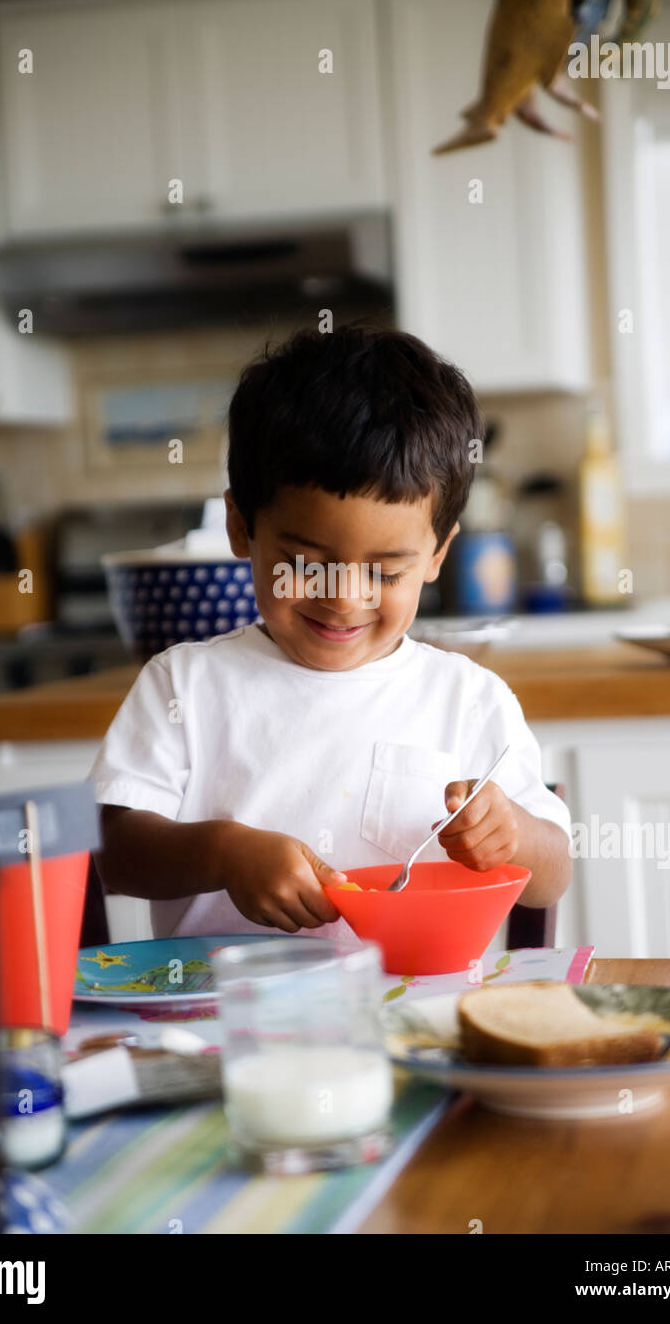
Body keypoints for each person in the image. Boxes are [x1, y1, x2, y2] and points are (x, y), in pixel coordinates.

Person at [92, 325, 571, 942]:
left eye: (385, 570)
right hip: (226, 1026)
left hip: (416, 1023)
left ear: (436, 555)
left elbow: (554, 871)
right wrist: (223, 852)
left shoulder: (467, 699)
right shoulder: (184, 685)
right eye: (306, 561)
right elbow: (108, 852)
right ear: (241, 528)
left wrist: (515, 835)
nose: (345, 598)